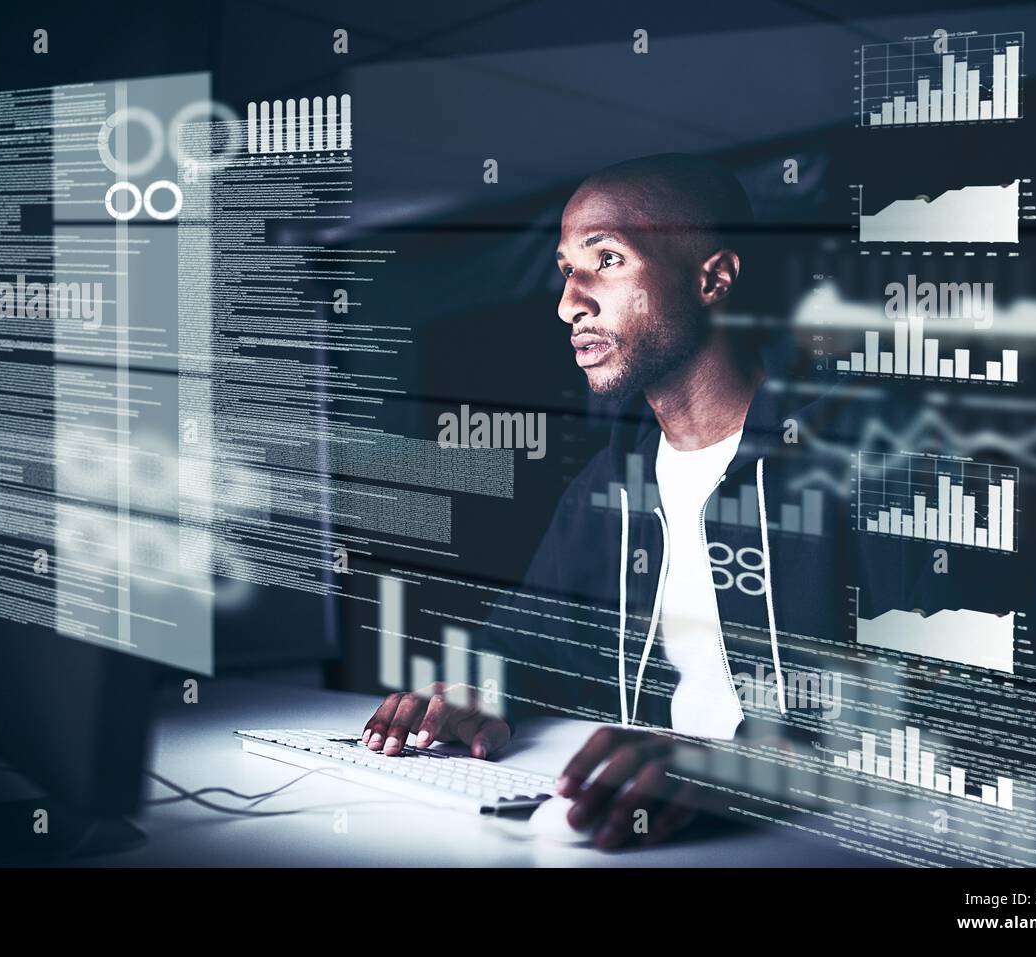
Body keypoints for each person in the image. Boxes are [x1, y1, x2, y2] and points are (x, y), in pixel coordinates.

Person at [359, 153, 875, 849]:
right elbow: (526, 636)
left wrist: (757, 767)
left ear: (713, 278)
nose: (570, 301)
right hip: (643, 842)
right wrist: (475, 691)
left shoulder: (871, 460)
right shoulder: (609, 482)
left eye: (606, 259)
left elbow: (979, 707)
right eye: (567, 268)